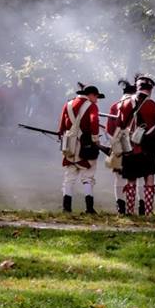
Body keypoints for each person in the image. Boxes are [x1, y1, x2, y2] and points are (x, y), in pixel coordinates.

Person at [117, 75, 155, 215]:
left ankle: (129, 210)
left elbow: (120, 124)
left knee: (131, 179)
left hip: (129, 147)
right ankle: (147, 211)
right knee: (149, 177)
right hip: (148, 147)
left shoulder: (124, 103)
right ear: (150, 89)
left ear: (137, 88)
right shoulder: (154, 105)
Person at [57, 84, 104, 214]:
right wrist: (95, 139)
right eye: (96, 96)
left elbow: (61, 126)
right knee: (88, 177)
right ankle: (89, 208)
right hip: (85, 145)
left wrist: (64, 138)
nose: (97, 100)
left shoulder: (68, 104)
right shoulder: (91, 105)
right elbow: (94, 121)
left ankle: (66, 207)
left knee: (69, 177)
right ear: (91, 95)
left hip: (69, 145)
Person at [106, 79, 136, 215]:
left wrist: (114, 145)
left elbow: (109, 130)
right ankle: (134, 208)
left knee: (119, 177)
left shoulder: (115, 106)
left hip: (118, 144)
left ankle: (121, 208)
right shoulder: (138, 104)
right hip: (135, 145)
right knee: (134, 177)